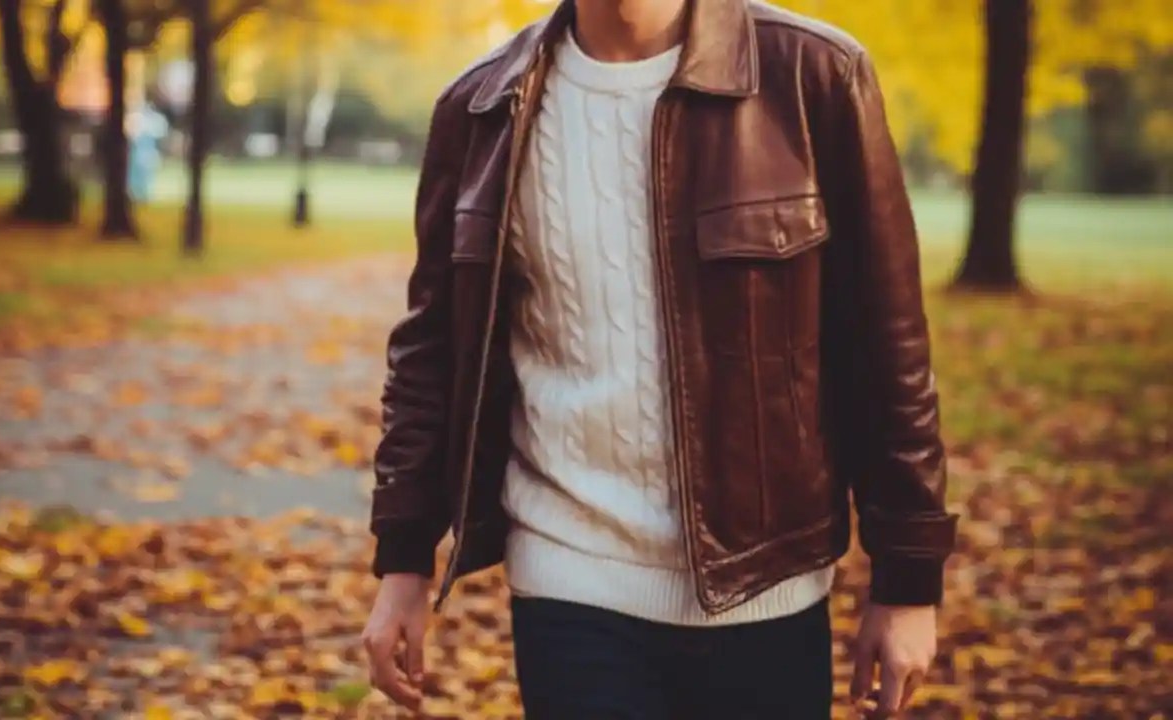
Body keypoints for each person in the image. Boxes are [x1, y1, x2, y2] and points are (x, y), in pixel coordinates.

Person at [362, 0, 959, 717]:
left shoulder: (813, 75)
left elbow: (887, 345)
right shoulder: (481, 108)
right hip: (569, 577)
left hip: (768, 585)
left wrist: (908, 581)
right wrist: (404, 557)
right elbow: (430, 352)